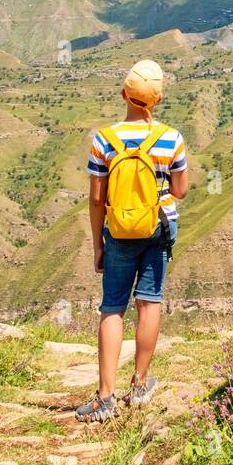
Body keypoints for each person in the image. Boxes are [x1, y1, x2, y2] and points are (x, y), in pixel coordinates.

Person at [76, 59, 188, 422]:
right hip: (157, 227)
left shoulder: (103, 140)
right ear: (156, 100)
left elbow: (96, 198)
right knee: (149, 302)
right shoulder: (171, 138)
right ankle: (139, 385)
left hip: (118, 231)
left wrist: (98, 245)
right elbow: (181, 191)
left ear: (124, 94)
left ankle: (105, 397)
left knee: (112, 307)